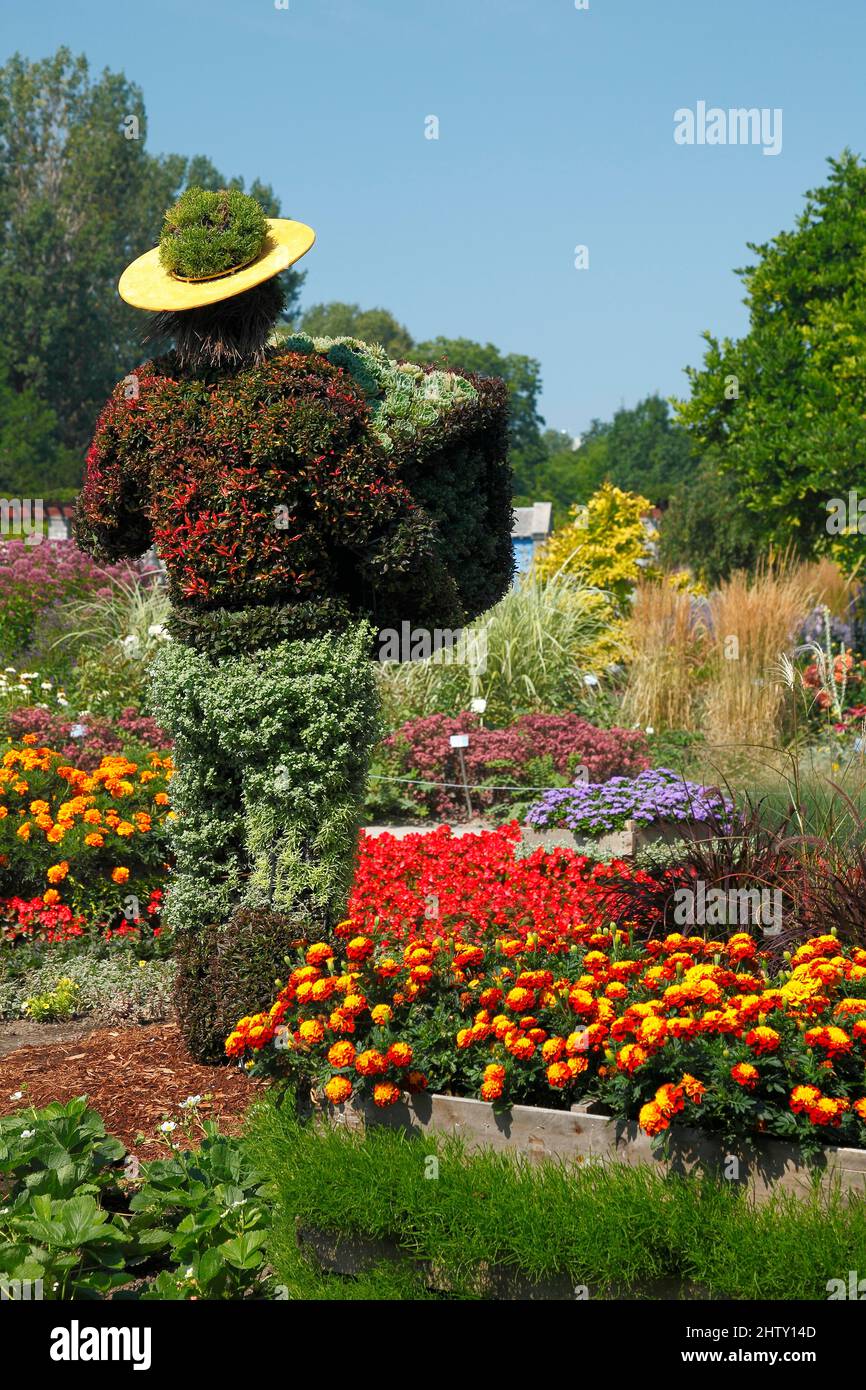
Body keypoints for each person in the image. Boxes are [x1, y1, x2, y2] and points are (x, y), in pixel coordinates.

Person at [75, 186, 513, 1059]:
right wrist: (440, 606)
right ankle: (261, 1031)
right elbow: (380, 531)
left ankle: (204, 1025)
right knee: (294, 855)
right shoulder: (308, 394)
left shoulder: (137, 402)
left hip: (195, 665)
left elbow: (100, 532)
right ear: (270, 296)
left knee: (207, 846)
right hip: (301, 663)